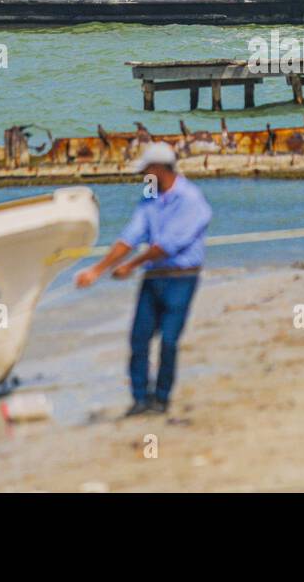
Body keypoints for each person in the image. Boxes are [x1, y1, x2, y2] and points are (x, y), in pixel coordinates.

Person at [76, 141, 212, 416]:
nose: (142, 176)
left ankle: (161, 399)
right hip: (153, 277)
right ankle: (140, 399)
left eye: (146, 170)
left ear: (160, 168)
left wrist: (131, 266)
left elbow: (167, 245)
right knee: (139, 339)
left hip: (181, 278)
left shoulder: (191, 199)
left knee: (169, 341)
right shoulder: (149, 196)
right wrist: (97, 270)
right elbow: (130, 236)